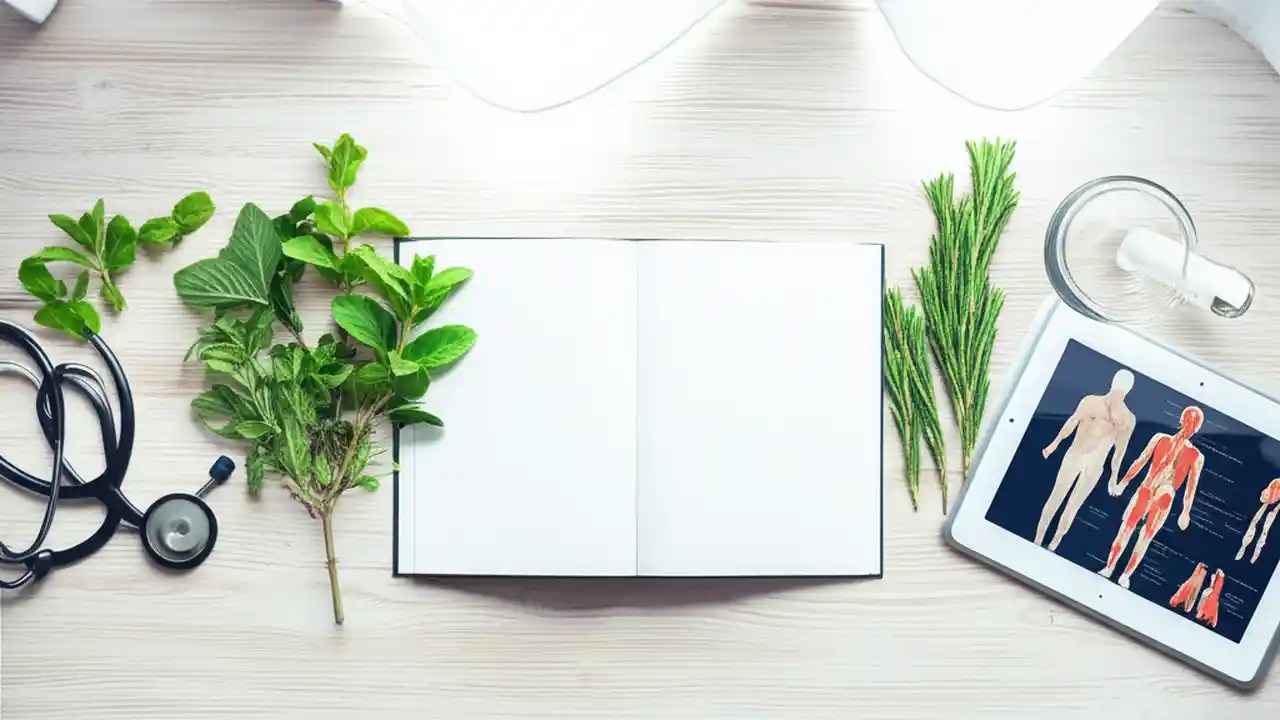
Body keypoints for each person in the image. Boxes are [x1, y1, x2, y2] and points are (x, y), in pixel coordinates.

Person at [1100, 406, 1205, 589]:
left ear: (1197, 428)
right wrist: (1124, 483)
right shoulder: (1160, 438)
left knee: (1146, 536)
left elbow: (1191, 485)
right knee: (1126, 528)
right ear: (1181, 420)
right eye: (1188, 420)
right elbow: (1140, 461)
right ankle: (1109, 568)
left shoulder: (1196, 456)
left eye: (1194, 423)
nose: (1189, 426)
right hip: (1145, 489)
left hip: (1165, 496)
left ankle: (1126, 574)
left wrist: (1186, 511)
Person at [1036, 370, 1136, 552]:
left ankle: (1052, 546)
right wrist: (1054, 444)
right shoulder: (1092, 402)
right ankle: (1037, 541)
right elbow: (1072, 422)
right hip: (1076, 455)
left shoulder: (1127, 418)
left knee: (1072, 507)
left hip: (1094, 464)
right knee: (1056, 498)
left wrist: (1113, 478)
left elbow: (1120, 450)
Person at [1236, 478, 1280, 564]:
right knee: (1254, 528)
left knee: (1262, 535)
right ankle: (1244, 555)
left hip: (1271, 519)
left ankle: (1252, 559)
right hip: (1263, 511)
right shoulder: (1276, 483)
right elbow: (1264, 497)